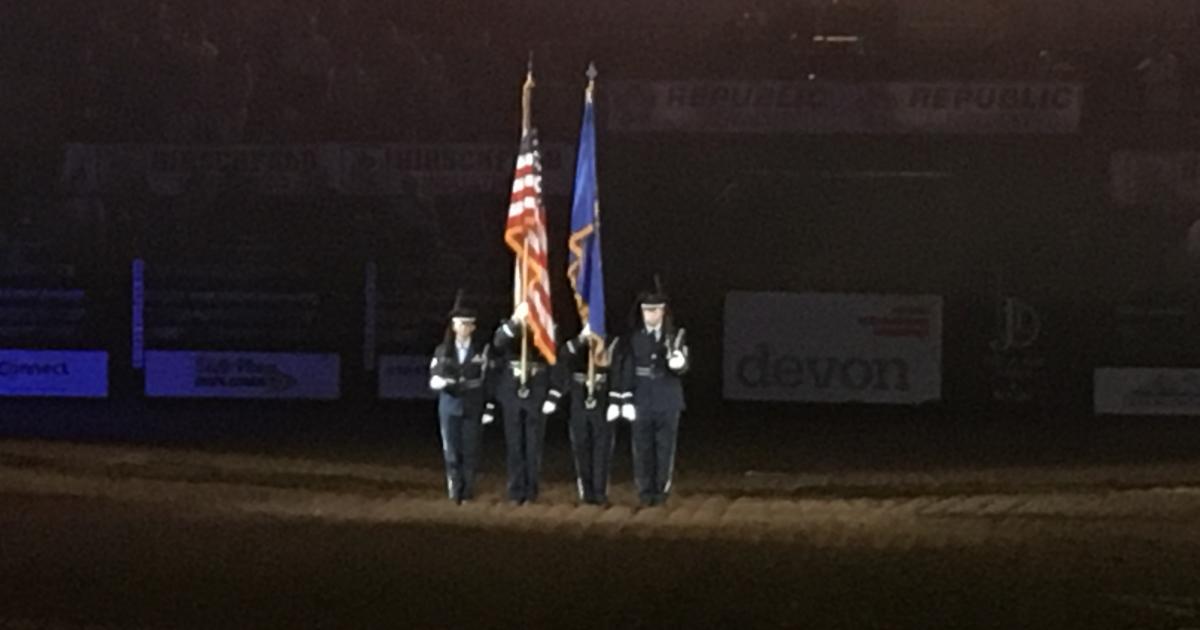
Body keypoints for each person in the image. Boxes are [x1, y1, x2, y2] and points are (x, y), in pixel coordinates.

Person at [618, 288, 689, 507]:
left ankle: (661, 490)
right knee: (642, 448)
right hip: (641, 396)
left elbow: (683, 366)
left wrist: (678, 362)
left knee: (665, 447)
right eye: (647, 311)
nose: (651, 315)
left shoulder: (674, 336)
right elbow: (628, 368)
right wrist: (625, 397)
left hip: (667, 397)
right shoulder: (634, 338)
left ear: (663, 312)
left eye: (655, 310)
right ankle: (645, 490)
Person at [428, 294, 495, 504]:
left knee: (470, 450)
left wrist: (489, 407)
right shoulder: (443, 350)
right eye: (460, 324)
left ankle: (467, 492)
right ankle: (455, 489)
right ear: (454, 326)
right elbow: (435, 374)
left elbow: (488, 382)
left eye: (468, 324)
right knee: (452, 451)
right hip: (450, 405)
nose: (464, 328)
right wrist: (438, 381)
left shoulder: (481, 352)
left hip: (473, 406)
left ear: (473, 328)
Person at [545, 327, 620, 506]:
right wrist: (581, 340)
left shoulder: (612, 342)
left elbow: (616, 368)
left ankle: (600, 491)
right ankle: (586, 491)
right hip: (579, 400)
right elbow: (563, 357)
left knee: (602, 450)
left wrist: (617, 400)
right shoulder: (575, 342)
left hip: (602, 401)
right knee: (581, 448)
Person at [492, 301, 550, 504]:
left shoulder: (546, 325)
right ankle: (516, 489)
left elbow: (551, 354)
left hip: (536, 389)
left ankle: (531, 490)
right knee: (514, 444)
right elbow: (498, 343)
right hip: (512, 391)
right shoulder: (510, 325)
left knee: (533, 445)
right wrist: (516, 321)